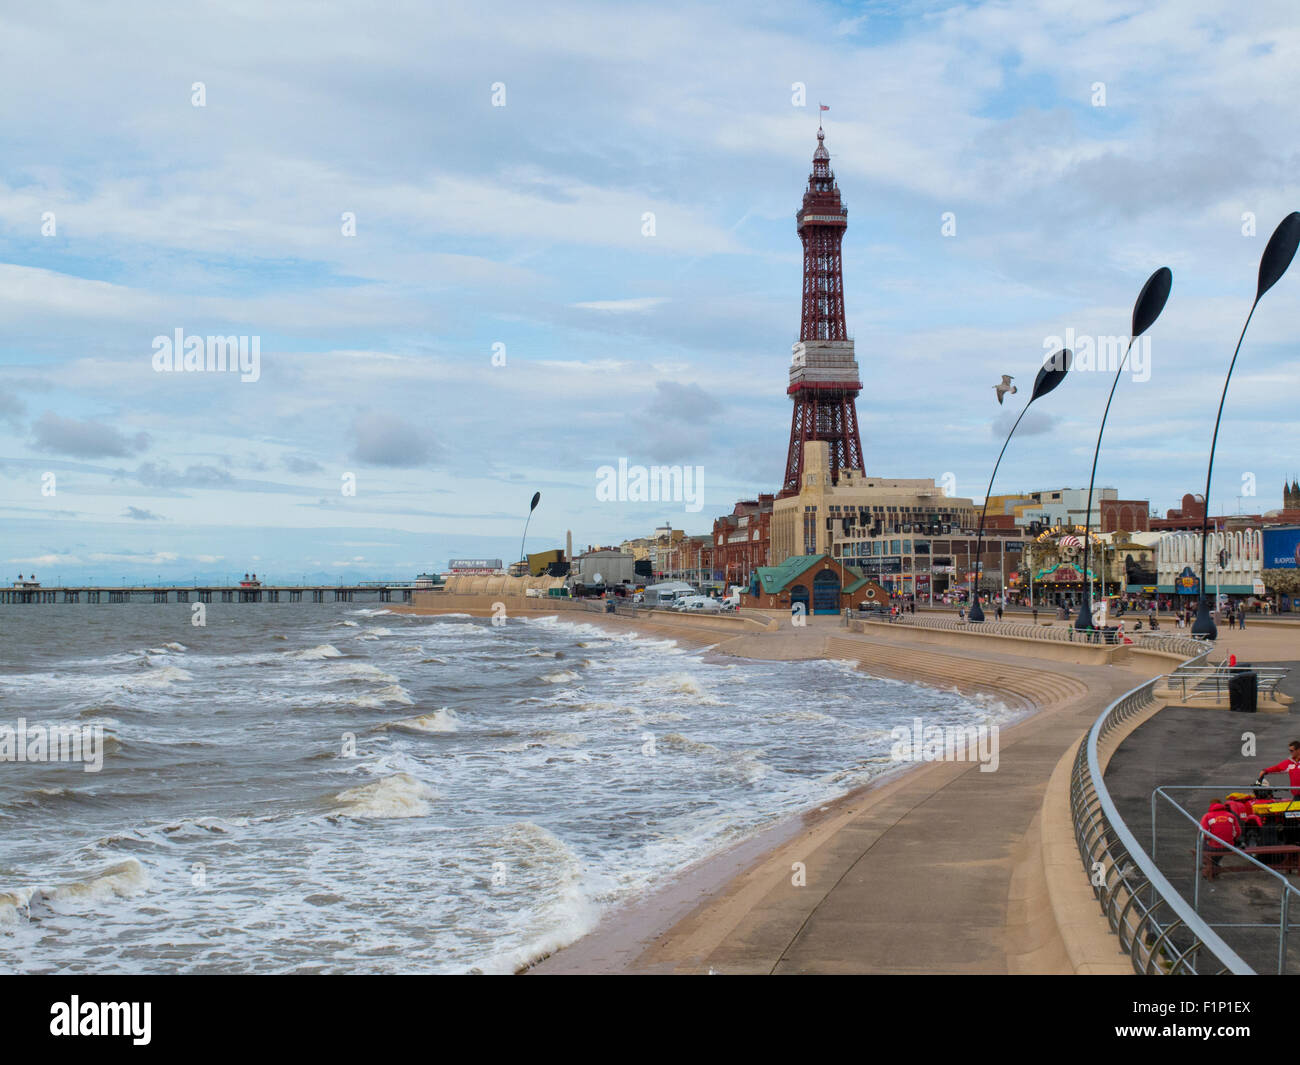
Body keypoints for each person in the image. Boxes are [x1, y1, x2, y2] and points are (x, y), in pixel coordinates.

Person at [1200, 801, 1241, 866]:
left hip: (1214, 847)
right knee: (1219, 851)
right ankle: (1214, 866)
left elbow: (1203, 833)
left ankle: (1209, 866)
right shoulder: (1231, 816)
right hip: (1229, 847)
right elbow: (1238, 832)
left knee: (1200, 844)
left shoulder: (1207, 816)